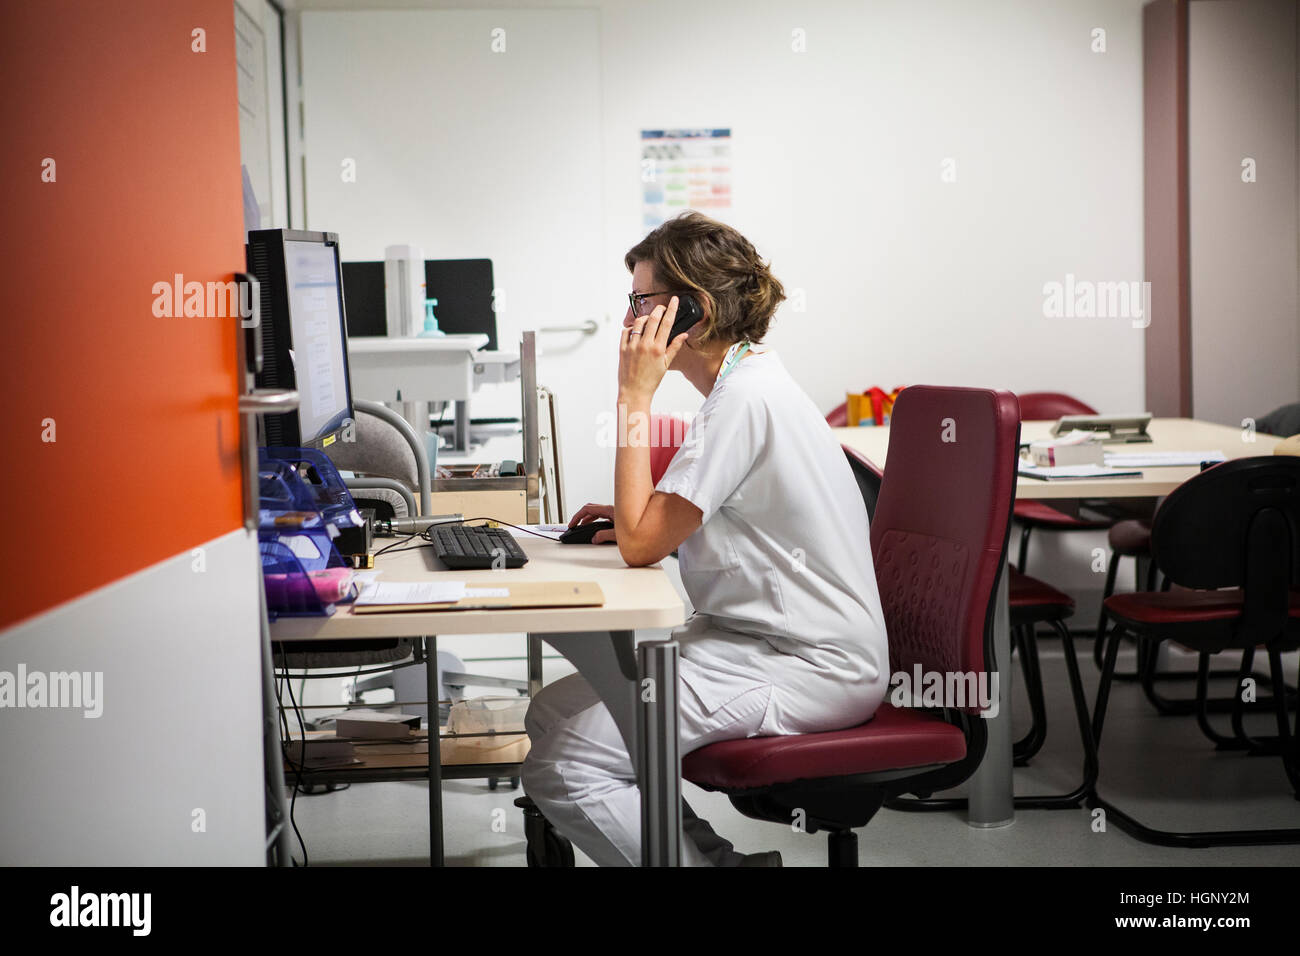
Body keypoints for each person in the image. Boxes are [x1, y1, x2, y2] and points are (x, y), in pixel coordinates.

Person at [521, 211, 889, 866]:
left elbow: (640, 545)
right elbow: (661, 525)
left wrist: (634, 398)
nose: (629, 320)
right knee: (554, 712)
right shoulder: (744, 384)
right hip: (759, 643)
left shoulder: (744, 398)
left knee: (568, 762)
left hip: (804, 663)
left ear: (693, 310)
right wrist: (641, 516)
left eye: (642, 302)